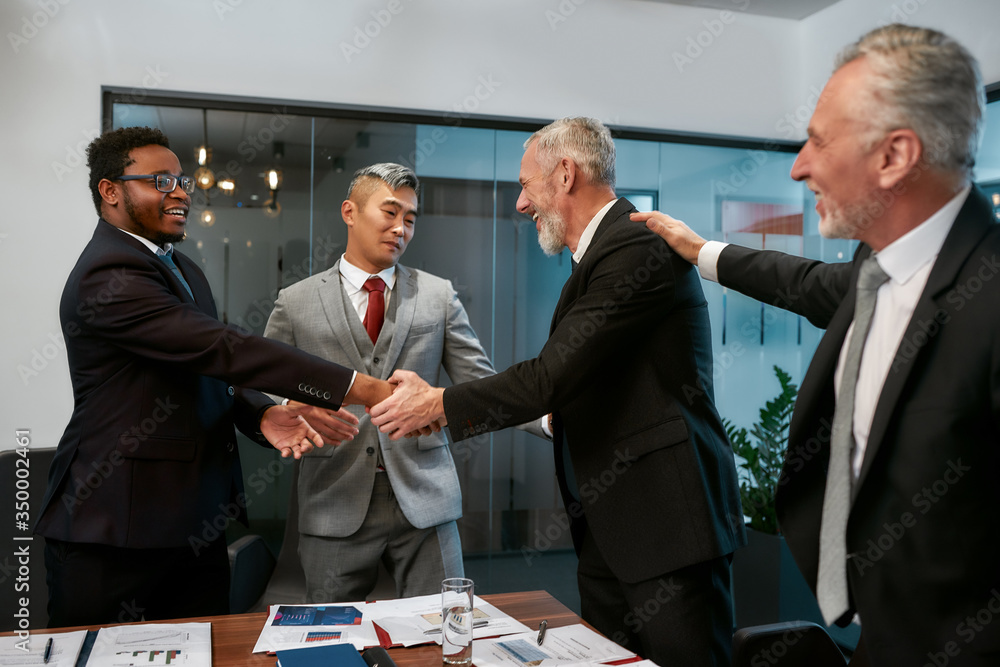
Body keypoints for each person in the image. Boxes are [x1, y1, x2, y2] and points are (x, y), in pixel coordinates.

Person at [633, 24, 999, 667]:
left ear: (894, 156)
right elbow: (803, 282)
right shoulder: (876, 269)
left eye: (820, 141)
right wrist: (701, 251)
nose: (800, 164)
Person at [371, 118, 745, 664]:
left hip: (668, 533)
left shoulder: (634, 248)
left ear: (565, 174)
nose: (521, 204)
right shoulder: (595, 259)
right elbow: (598, 383)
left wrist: (441, 404)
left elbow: (552, 377)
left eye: (526, 185)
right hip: (613, 530)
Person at [36, 126, 392, 627]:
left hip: (192, 522)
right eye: (160, 181)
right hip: (114, 529)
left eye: (181, 181)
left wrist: (263, 411)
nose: (180, 191)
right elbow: (225, 348)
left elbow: (206, 364)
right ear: (111, 191)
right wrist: (362, 387)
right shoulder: (108, 273)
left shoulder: (182, 268)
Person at [264, 163, 544, 601]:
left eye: (410, 219)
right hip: (333, 498)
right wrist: (285, 407)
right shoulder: (296, 302)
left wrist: (546, 422)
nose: (401, 228)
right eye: (390, 213)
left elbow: (481, 383)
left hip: (426, 499)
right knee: (335, 638)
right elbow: (263, 382)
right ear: (350, 212)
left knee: (444, 629)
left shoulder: (438, 295)